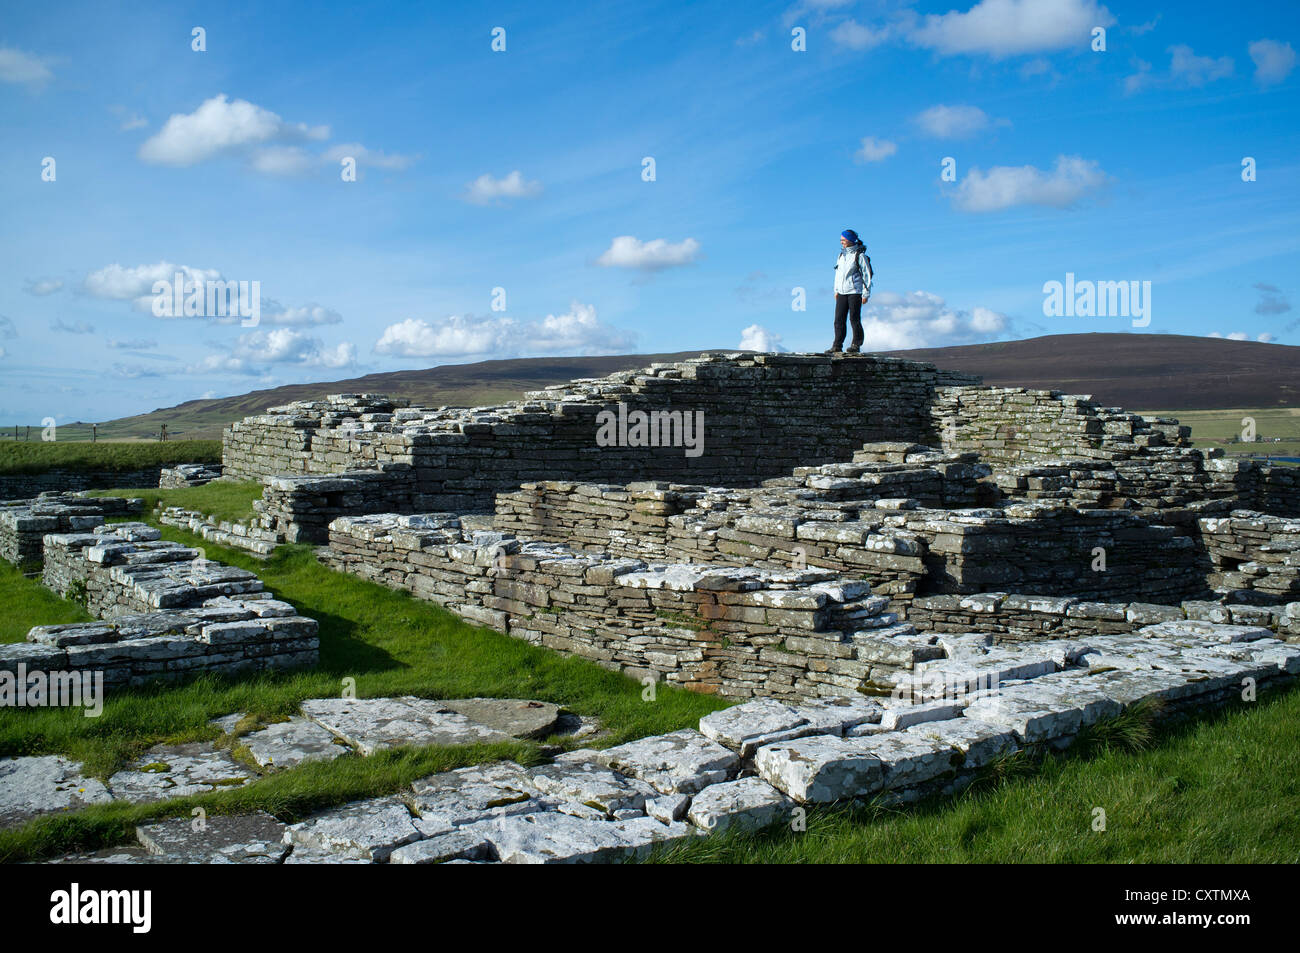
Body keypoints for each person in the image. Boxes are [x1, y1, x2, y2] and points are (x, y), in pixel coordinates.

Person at [827, 228, 872, 354]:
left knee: (854, 319)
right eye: (841, 240)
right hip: (841, 292)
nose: (841, 242)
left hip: (855, 292)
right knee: (838, 319)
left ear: (851, 240)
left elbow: (866, 275)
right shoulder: (841, 255)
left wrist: (866, 293)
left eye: (843, 240)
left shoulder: (860, 256)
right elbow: (837, 273)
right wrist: (836, 290)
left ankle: (856, 344)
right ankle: (837, 345)